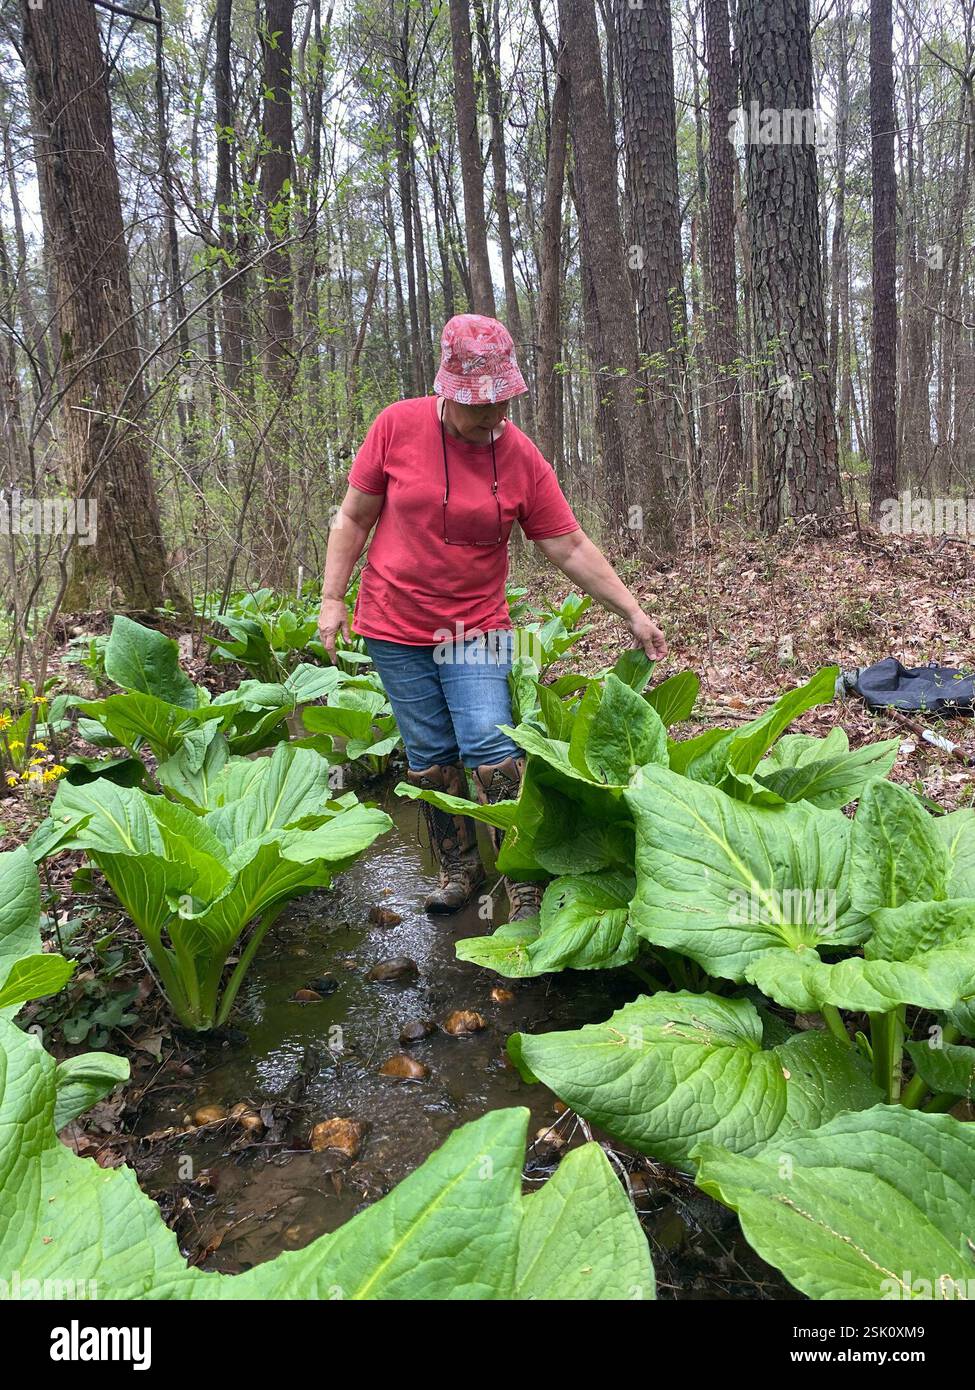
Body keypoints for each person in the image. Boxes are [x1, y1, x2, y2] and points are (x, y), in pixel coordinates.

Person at [318, 314, 667, 923]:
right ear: (446, 390)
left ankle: (519, 874)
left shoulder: (520, 456)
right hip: (395, 626)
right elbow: (353, 517)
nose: (493, 416)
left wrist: (632, 612)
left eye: (502, 401)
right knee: (428, 755)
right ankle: (459, 869)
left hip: (474, 628)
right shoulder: (396, 428)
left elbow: (568, 545)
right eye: (479, 405)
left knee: (492, 748)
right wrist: (332, 597)